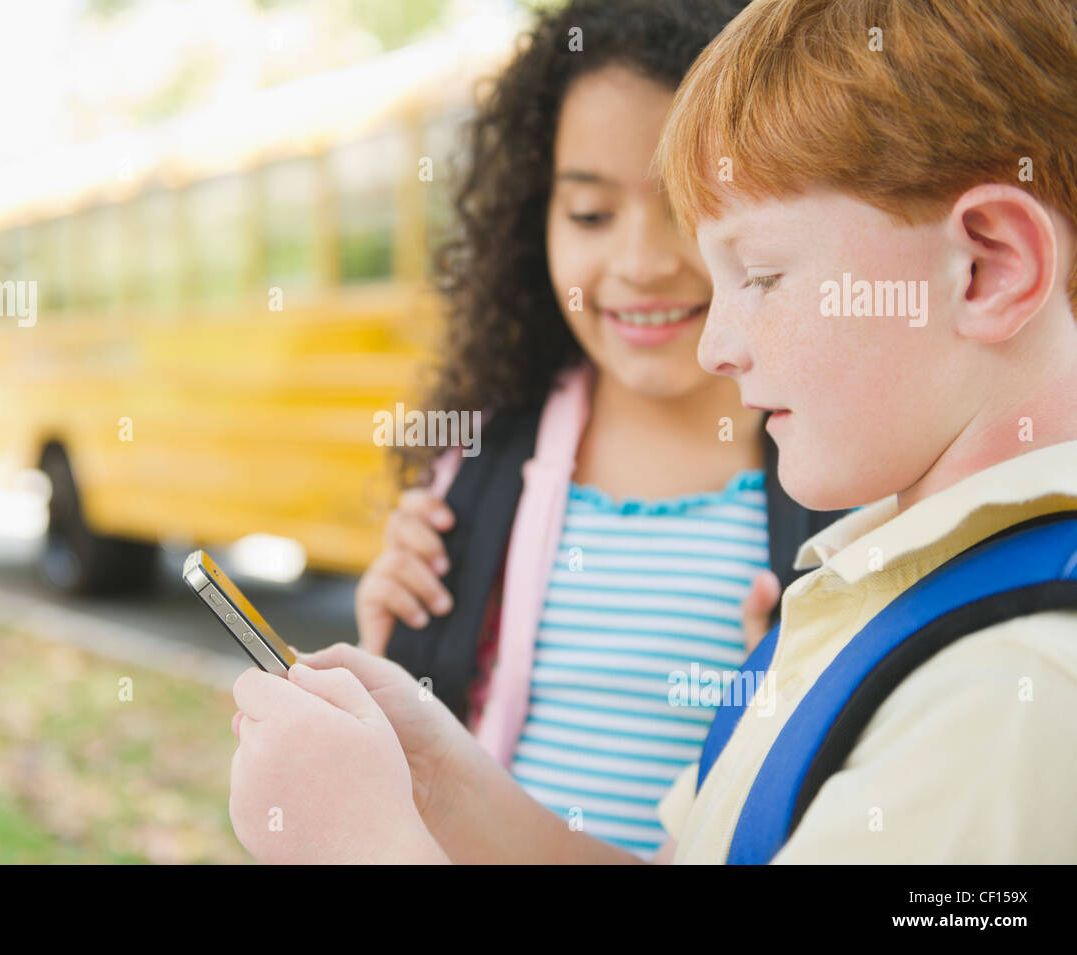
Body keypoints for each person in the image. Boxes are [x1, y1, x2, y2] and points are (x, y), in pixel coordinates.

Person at [227, 0, 1077, 864]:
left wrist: (362, 847)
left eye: (764, 274)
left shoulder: (1019, 685)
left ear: (986, 267)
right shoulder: (876, 571)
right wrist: (441, 778)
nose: (717, 346)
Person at [353, 0, 843, 860]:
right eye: (589, 214)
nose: (643, 262)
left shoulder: (843, 467)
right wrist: (395, 645)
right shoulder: (480, 460)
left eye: (690, 205)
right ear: (529, 222)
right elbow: (430, 765)